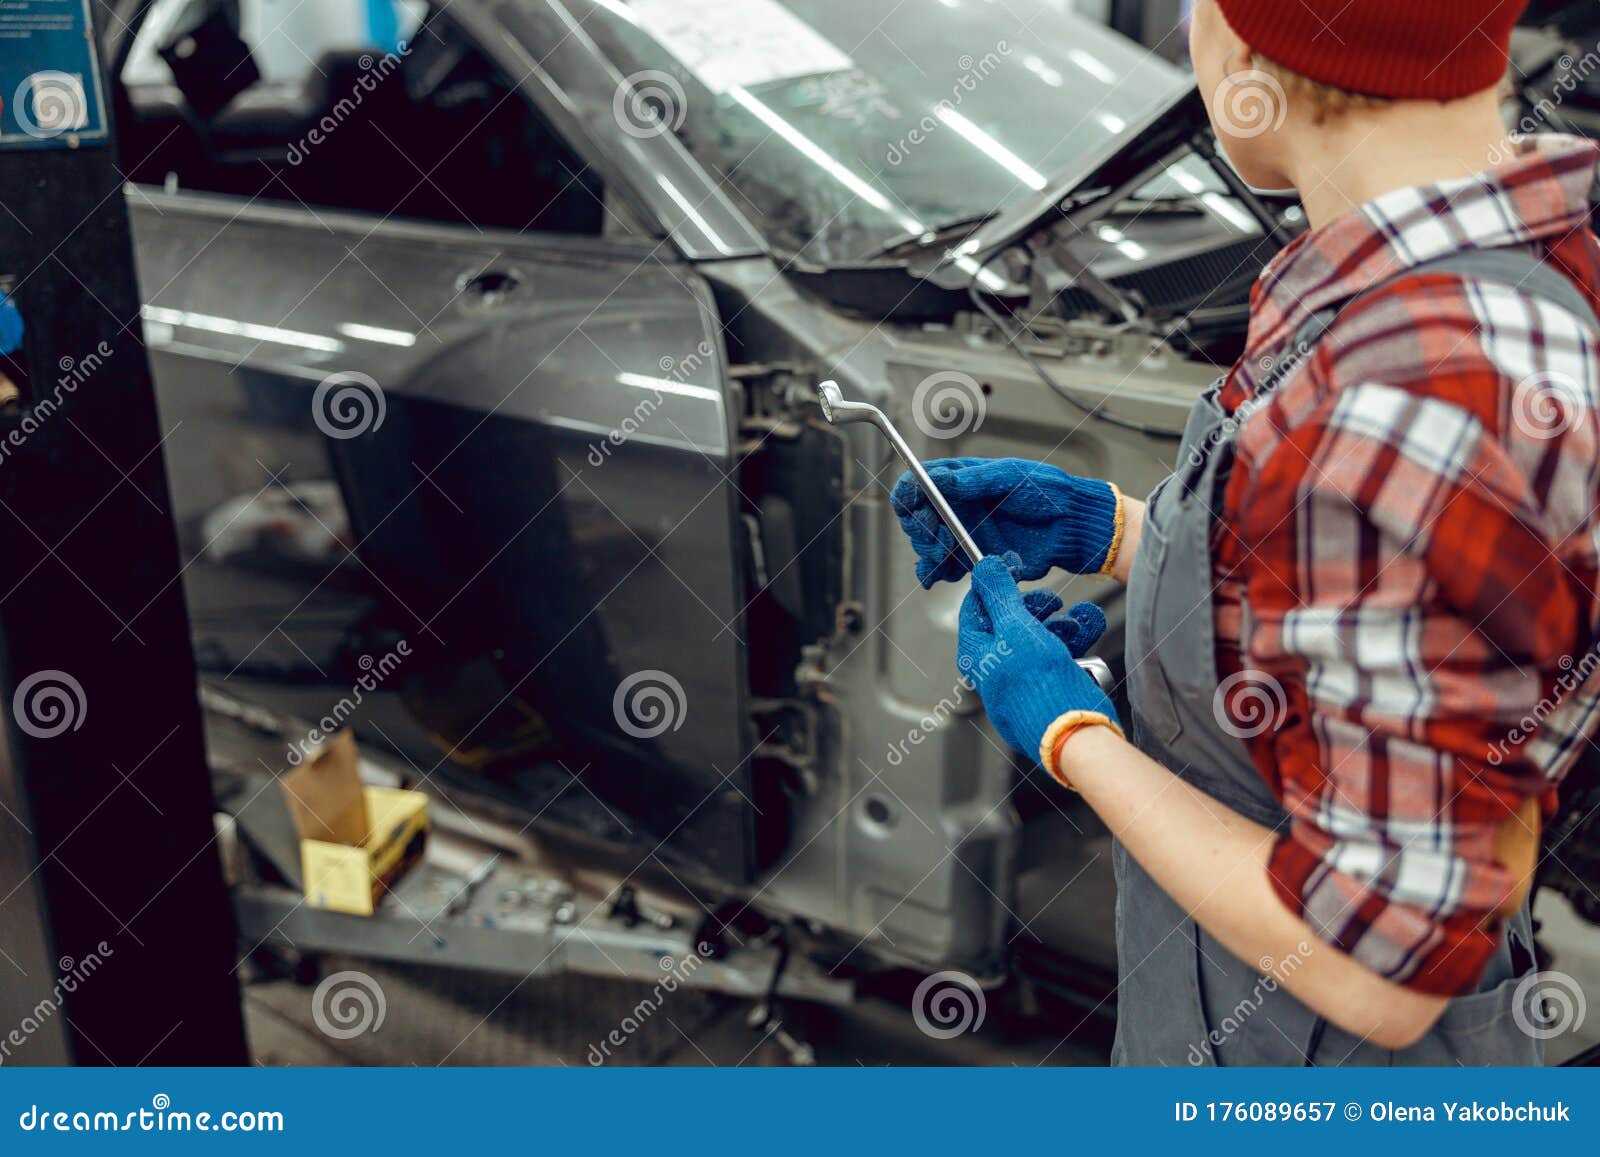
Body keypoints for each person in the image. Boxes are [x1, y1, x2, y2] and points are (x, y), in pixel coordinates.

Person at [893, 0, 1600, 1064]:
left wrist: (1073, 736)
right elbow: (1402, 621)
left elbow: (1377, 966)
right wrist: (1119, 533)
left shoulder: (1409, 393)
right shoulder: (1490, 275)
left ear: (1234, 51)